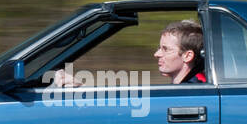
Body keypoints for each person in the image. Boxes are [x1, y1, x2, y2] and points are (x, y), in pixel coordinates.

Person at [52, 19, 207, 87]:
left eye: (165, 49)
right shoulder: (185, 87)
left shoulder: (196, 90)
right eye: (159, 48)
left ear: (187, 56)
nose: (156, 54)